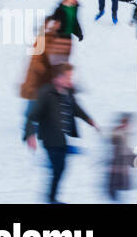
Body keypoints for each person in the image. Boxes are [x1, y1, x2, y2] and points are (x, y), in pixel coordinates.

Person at [24, 64, 98, 203]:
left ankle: (52, 192)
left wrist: (90, 120)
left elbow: (76, 108)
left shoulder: (67, 92)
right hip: (49, 138)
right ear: (57, 78)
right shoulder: (46, 93)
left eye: (71, 77)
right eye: (67, 77)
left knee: (60, 167)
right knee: (58, 168)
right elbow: (32, 116)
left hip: (62, 138)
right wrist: (30, 135)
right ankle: (51, 198)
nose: (70, 80)